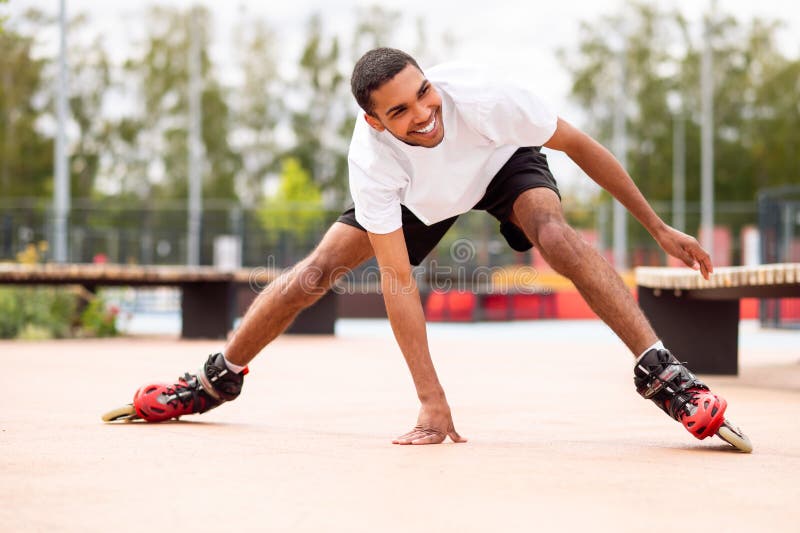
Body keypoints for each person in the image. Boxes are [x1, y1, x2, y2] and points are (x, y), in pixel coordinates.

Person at [127, 47, 748, 450]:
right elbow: (398, 283)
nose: (425, 113)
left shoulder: (485, 100)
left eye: (424, 92)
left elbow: (582, 148)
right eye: (400, 110)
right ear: (376, 123)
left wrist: (658, 228)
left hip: (501, 166)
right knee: (315, 272)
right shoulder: (372, 163)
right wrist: (432, 400)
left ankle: (666, 376)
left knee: (557, 236)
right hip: (414, 198)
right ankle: (215, 380)